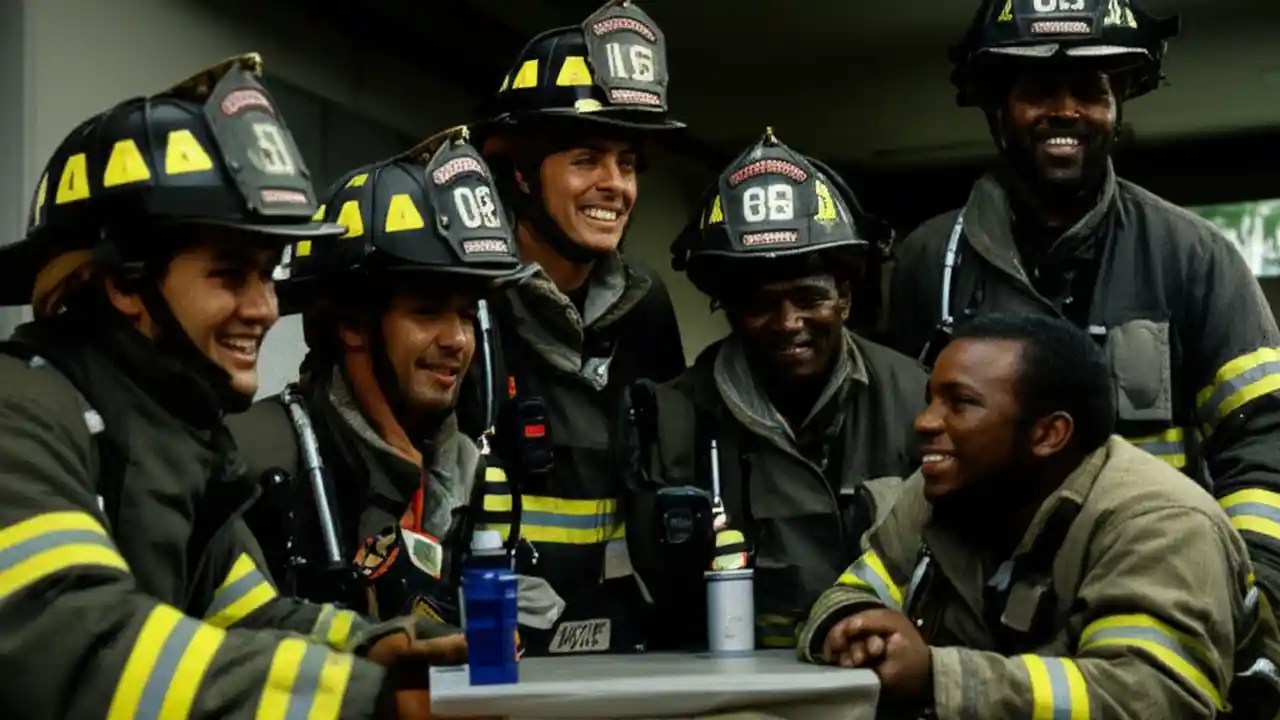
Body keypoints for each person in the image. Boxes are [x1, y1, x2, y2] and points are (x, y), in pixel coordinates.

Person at [0, 54, 464, 718]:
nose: (265, 309)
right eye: (229, 274)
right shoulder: (22, 415)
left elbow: (246, 614)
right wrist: (359, 699)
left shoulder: (178, 436)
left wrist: (376, 647)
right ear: (127, 285)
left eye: (267, 275)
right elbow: (75, 644)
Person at [888, 0, 1280, 608]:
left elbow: (1263, 440)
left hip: (1153, 581)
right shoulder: (929, 260)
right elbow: (904, 449)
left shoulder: (1194, 256)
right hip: (975, 603)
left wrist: (1254, 593)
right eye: (1040, 90)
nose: (1065, 110)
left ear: (1118, 105)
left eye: (1090, 90)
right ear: (998, 106)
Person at [798, 313, 1280, 719]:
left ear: (1049, 434)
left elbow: (1147, 695)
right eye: (930, 399)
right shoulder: (938, 493)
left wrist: (937, 678)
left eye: (960, 403)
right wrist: (855, 628)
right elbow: (851, 592)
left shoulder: (1161, 524)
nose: (925, 421)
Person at [623, 129, 926, 650]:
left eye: (810, 297)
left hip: (883, 683)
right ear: (730, 310)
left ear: (846, 300)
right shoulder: (671, 417)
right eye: (761, 305)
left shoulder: (918, 400)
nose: (788, 324)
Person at [229, 128, 531, 628]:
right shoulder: (255, 461)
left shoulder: (469, 475)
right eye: (427, 310)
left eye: (464, 314)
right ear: (351, 324)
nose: (457, 339)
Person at [467, 0, 686, 655]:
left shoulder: (647, 309)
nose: (614, 185)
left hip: (625, 652)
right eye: (587, 158)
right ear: (520, 173)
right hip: (496, 650)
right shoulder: (465, 305)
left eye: (627, 162)